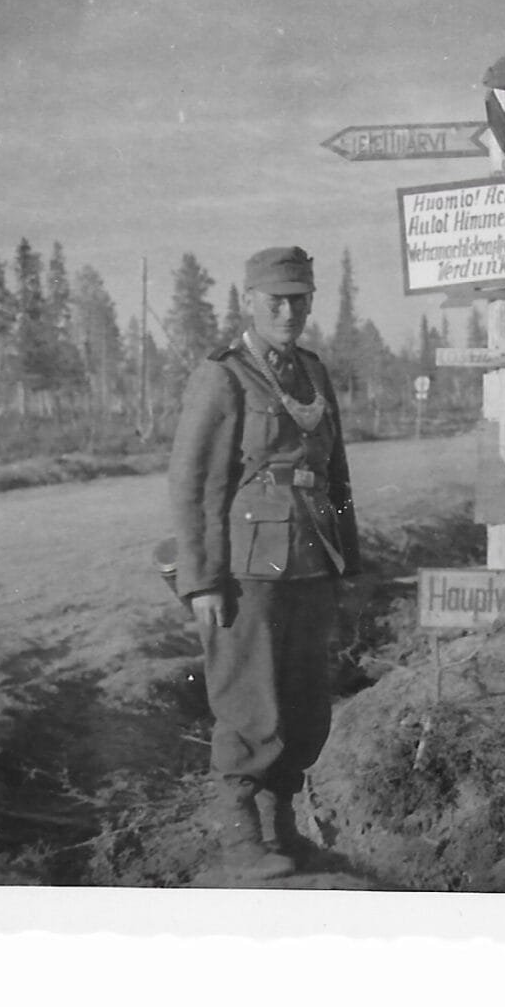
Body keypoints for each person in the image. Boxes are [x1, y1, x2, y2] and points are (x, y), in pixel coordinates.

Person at [168, 246, 361, 879]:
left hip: (310, 559)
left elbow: (336, 477)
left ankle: (284, 835)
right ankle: (240, 841)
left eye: (299, 298)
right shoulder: (224, 376)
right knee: (249, 700)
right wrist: (202, 582)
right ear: (249, 300)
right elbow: (195, 485)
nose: (288, 310)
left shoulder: (312, 372)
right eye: (275, 299)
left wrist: (347, 566)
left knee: (304, 704)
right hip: (248, 568)